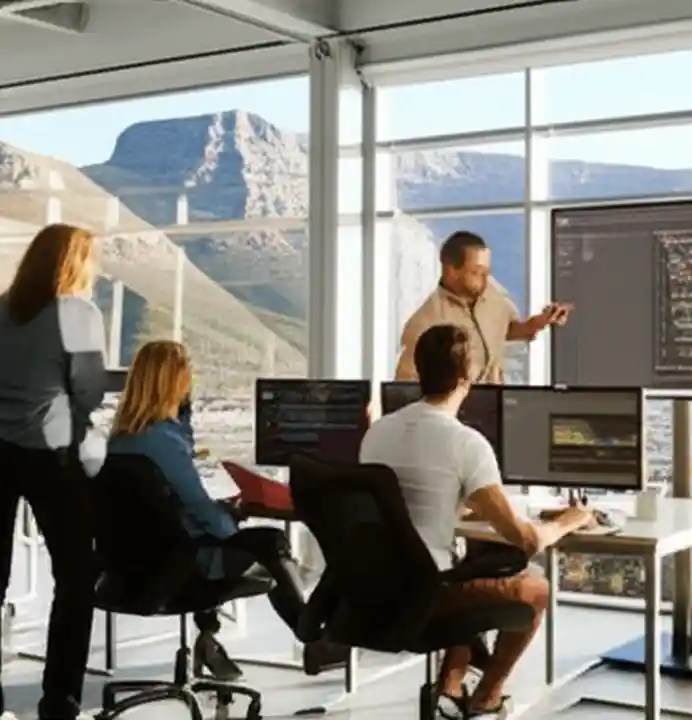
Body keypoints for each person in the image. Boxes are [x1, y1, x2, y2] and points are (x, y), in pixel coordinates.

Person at [363, 324, 595, 719]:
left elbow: (405, 502)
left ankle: (449, 690)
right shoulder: (465, 443)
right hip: (426, 594)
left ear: (418, 370)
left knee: (471, 567)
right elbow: (525, 540)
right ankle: (487, 697)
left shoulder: (377, 432)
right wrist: (570, 521)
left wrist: (462, 506)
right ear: (469, 376)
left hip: (375, 589)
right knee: (534, 587)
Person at [105, 340, 348, 681]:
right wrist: (232, 525)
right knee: (268, 543)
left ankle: (210, 638)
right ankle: (313, 640)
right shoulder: (165, 442)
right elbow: (201, 512)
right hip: (181, 565)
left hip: (133, 566)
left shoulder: (119, 442)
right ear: (176, 384)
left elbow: (165, 509)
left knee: (237, 537)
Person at [0, 224, 105, 720]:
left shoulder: (1, 307)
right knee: (75, 577)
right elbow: (89, 392)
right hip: (52, 457)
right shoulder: (76, 313)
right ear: (73, 263)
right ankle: (59, 699)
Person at [395, 230, 572, 384]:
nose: (485, 279)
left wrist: (537, 323)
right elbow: (406, 388)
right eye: (476, 272)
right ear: (451, 271)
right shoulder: (425, 324)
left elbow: (506, 330)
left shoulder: (492, 294)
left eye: (487, 272)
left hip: (496, 406)